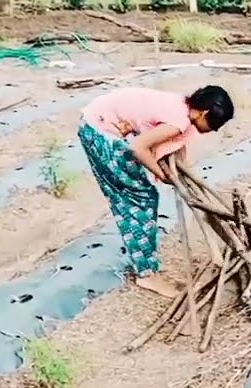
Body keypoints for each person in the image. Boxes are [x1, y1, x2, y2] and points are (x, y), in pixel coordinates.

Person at [78, 85, 235, 298]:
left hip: (97, 121)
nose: (213, 130)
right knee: (139, 199)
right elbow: (138, 148)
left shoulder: (181, 105)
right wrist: (161, 174)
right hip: (100, 132)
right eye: (213, 124)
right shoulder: (178, 121)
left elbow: (171, 144)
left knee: (139, 197)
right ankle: (147, 275)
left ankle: (146, 266)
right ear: (204, 113)